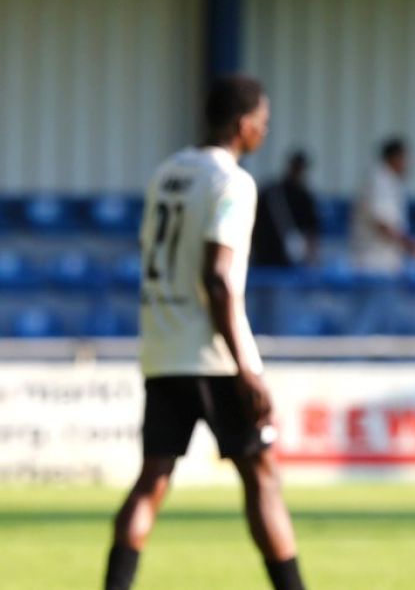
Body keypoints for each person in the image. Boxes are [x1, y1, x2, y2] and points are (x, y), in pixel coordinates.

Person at [104, 76, 306, 590]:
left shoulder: (166, 173)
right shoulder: (233, 182)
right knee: (262, 476)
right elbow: (218, 279)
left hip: (162, 347)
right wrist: (247, 369)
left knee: (152, 480)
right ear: (244, 126)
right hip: (214, 354)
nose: (264, 130)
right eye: (262, 121)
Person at [350, 136, 415, 273]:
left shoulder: (388, 180)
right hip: (374, 264)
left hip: (382, 262)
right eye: (405, 159)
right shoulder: (380, 181)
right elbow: (383, 225)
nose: (407, 164)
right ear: (396, 158)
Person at [251, 150, 321, 268]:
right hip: (268, 258)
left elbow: (312, 230)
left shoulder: (303, 196)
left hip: (280, 261)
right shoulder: (271, 193)